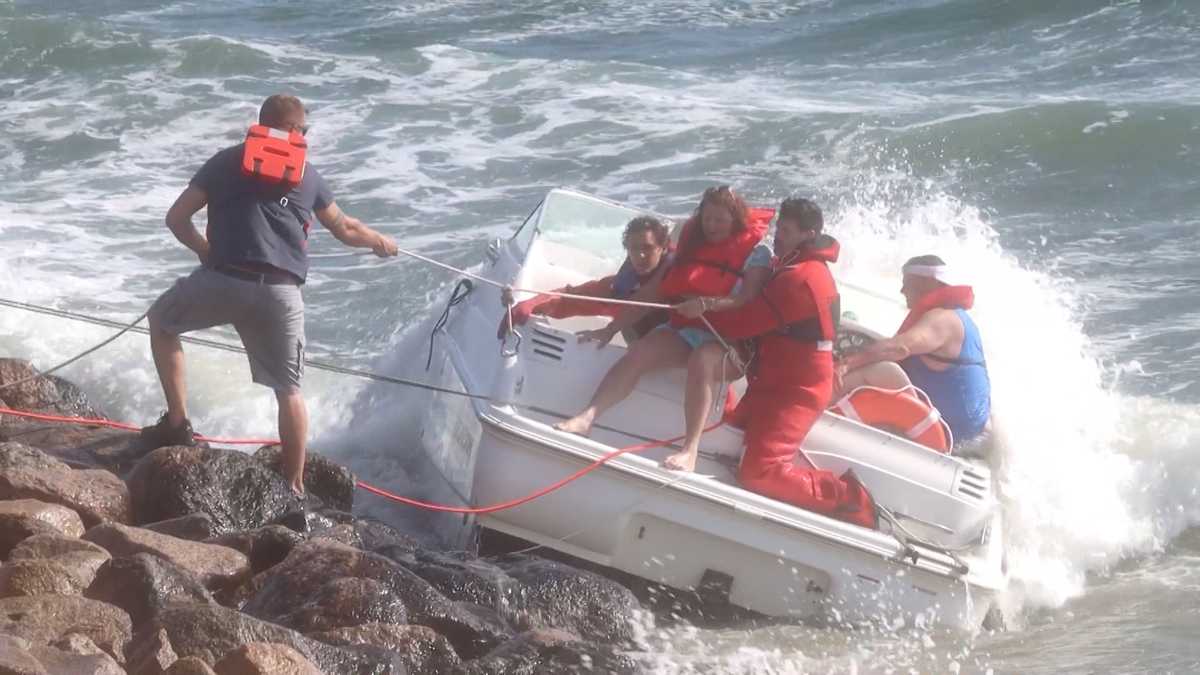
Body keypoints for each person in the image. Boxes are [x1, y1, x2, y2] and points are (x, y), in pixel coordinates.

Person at [141, 94, 399, 494]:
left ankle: (177, 423)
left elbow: (176, 218)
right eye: (305, 130)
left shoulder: (226, 160)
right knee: (290, 391)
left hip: (223, 279)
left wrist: (205, 252)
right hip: (281, 295)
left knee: (162, 322)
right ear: (293, 131)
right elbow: (345, 229)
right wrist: (379, 241)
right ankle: (293, 488)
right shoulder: (308, 175)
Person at [554, 187, 774, 471]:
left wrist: (707, 304)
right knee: (641, 352)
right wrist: (611, 329)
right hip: (688, 329)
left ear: (735, 219)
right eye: (707, 218)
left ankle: (689, 451)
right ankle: (586, 418)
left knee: (702, 360)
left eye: (720, 220)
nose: (711, 226)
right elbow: (651, 294)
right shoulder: (692, 244)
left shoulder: (758, 252)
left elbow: (747, 298)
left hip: (731, 344)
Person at [696, 198, 876, 527]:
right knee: (726, 427)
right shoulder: (791, 265)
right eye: (779, 228)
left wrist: (698, 312)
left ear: (808, 235)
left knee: (758, 472)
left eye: (787, 231)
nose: (778, 236)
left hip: (798, 391)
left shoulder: (801, 278)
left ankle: (847, 496)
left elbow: (743, 323)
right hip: (772, 382)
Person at [836, 255, 991, 445]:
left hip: (947, 431)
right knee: (874, 357)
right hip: (969, 430)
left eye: (906, 283)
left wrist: (846, 364)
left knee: (880, 370)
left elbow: (899, 348)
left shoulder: (942, 319)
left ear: (927, 282)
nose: (902, 290)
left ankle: (815, 404)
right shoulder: (960, 318)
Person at [497, 215, 671, 340]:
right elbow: (571, 298)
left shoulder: (680, 277)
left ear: (663, 248)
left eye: (647, 248)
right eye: (633, 248)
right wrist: (530, 305)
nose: (640, 255)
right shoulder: (623, 286)